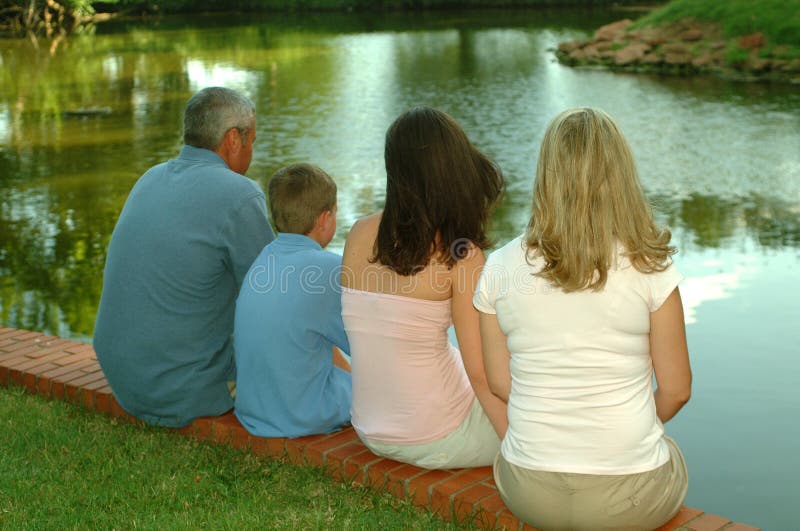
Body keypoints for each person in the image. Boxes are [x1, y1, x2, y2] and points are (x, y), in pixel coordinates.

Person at [474, 107, 692, 530]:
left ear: (547, 175)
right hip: (628, 495)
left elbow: (500, 383)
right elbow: (678, 390)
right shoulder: (651, 267)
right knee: (672, 457)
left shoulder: (498, 266)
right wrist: (629, 432)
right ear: (622, 175)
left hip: (528, 488)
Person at [93, 87, 275, 428]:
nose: (252, 150)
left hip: (123, 379)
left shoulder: (149, 178)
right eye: (252, 140)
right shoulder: (239, 194)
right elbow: (274, 298)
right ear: (233, 139)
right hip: (183, 390)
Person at [341, 106, 506, 469]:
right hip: (438, 436)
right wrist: (520, 448)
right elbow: (481, 375)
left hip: (369, 429)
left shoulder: (357, 234)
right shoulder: (461, 254)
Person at [234, 163, 351, 438]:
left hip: (254, 409)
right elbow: (368, 347)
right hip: (302, 415)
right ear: (324, 219)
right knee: (377, 389)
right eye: (335, 212)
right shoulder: (330, 269)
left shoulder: (262, 260)